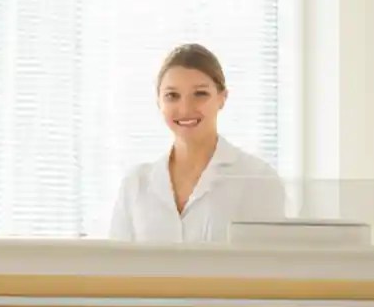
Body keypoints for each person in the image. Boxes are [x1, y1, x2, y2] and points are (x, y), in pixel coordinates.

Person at [108, 44, 285, 243]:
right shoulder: (135, 184)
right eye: (172, 96)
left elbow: (269, 259)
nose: (185, 109)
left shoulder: (258, 179)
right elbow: (115, 260)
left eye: (200, 94)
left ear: (222, 98)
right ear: (159, 102)